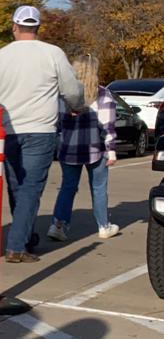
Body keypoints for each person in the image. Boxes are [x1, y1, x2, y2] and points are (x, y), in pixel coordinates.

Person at [0, 5, 86, 263]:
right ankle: (17, 245)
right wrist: (76, 107)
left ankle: (24, 237)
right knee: (31, 188)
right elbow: (72, 89)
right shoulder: (53, 53)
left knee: (17, 185)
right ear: (38, 29)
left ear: (14, 27)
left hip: (6, 130)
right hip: (40, 129)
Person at [48, 55, 120, 241]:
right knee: (98, 188)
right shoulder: (103, 94)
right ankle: (103, 226)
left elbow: (56, 123)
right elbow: (108, 127)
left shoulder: (63, 95)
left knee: (67, 187)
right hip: (96, 148)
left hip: (68, 148)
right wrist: (111, 150)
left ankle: (58, 225)